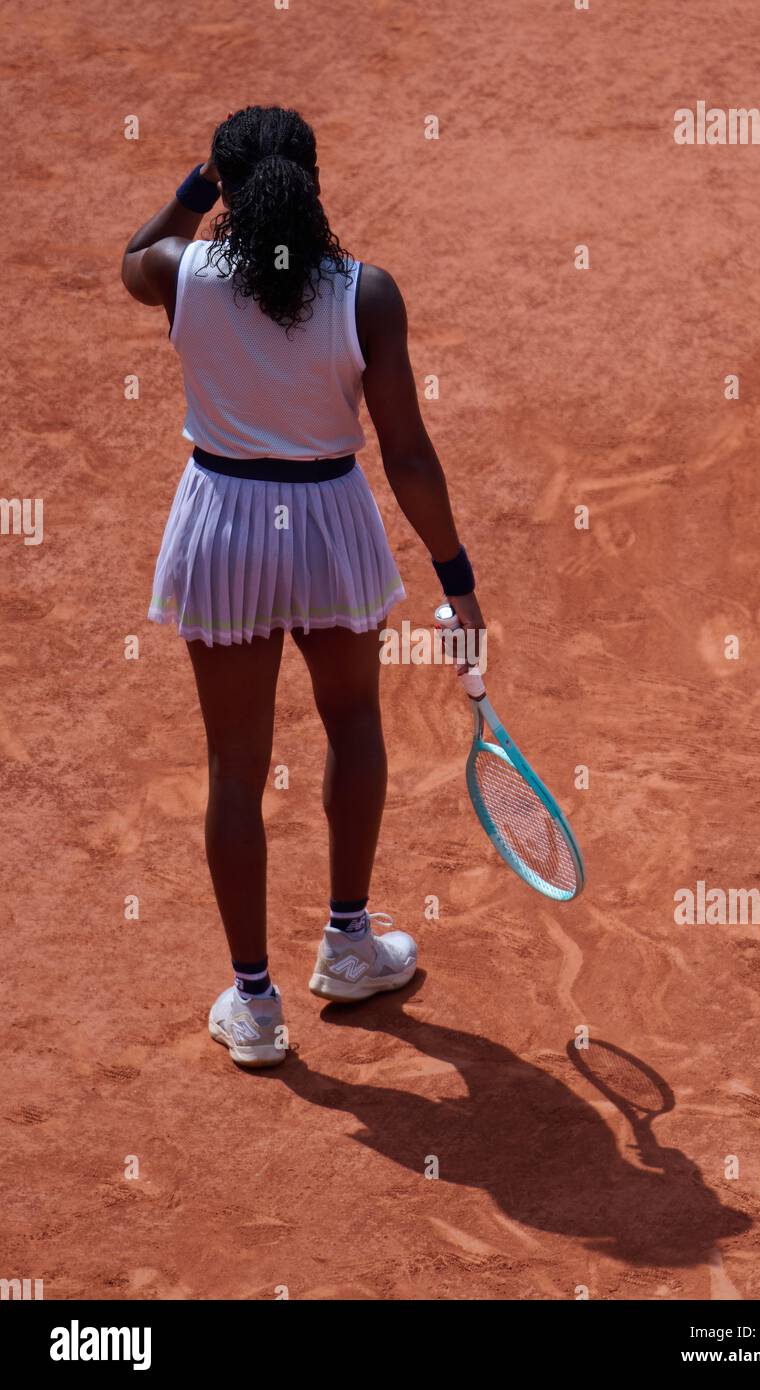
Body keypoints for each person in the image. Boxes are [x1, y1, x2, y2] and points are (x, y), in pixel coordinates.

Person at [121, 106, 484, 1067]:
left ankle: (255, 1007)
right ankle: (350, 944)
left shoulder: (180, 275)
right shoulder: (367, 294)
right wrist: (458, 577)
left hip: (224, 524)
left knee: (234, 769)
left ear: (227, 192)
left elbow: (138, 249)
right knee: (354, 722)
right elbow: (407, 455)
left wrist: (195, 186)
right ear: (314, 184)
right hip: (328, 522)